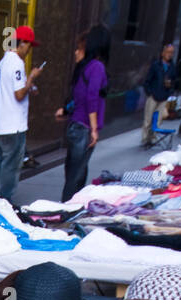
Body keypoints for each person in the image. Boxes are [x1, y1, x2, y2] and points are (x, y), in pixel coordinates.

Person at [0, 24, 44, 202]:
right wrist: (32, 77)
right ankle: (5, 203)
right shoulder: (17, 63)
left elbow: (15, 89)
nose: (29, 50)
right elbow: (19, 94)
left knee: (1, 163)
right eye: (29, 45)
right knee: (11, 166)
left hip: (2, 124)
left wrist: (30, 86)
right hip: (13, 126)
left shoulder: (3, 62)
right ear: (21, 43)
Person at [56, 25, 109, 201]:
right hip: (83, 128)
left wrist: (65, 110)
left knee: (75, 173)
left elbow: (79, 97)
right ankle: (66, 211)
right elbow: (91, 97)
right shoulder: (96, 67)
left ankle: (69, 208)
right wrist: (94, 129)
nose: (75, 53)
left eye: (78, 49)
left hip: (76, 126)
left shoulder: (85, 69)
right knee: (75, 176)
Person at [141, 42, 177, 147]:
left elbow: (174, 82)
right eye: (168, 52)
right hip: (153, 95)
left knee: (158, 120)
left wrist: (170, 92)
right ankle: (145, 139)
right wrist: (150, 92)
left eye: (172, 53)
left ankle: (152, 138)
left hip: (164, 96)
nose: (169, 54)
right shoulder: (156, 65)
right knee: (148, 119)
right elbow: (147, 80)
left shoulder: (172, 67)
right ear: (163, 53)